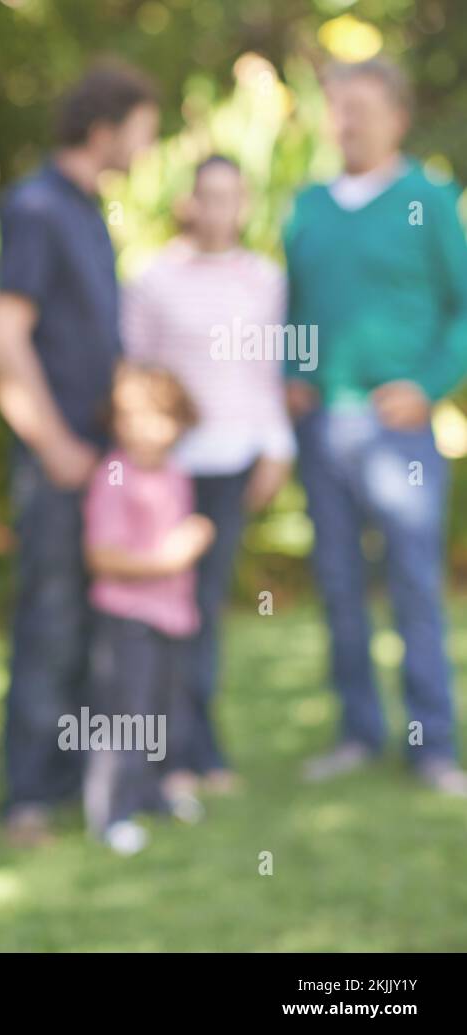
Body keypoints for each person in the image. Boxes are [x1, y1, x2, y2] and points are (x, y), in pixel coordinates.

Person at [0, 61, 160, 845]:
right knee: (49, 620)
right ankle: (25, 798)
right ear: (106, 127)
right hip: (62, 461)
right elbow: (2, 336)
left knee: (91, 624)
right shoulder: (39, 207)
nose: (150, 145)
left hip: (102, 463)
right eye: (145, 128)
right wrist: (53, 444)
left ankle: (77, 782)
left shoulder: (86, 209)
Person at [283, 59, 467, 795]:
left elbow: (462, 311)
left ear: (396, 115)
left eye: (361, 106)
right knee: (337, 582)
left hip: (401, 435)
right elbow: (293, 307)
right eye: (337, 106)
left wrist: (426, 386)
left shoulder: (429, 198)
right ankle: (359, 732)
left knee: (414, 583)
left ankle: (433, 744)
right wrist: (293, 374)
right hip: (323, 428)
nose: (347, 120)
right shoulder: (308, 207)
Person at [121, 155, 295, 796]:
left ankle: (201, 748)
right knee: (161, 608)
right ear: (190, 202)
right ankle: (169, 754)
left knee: (205, 609)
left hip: (235, 463)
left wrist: (277, 448)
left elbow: (267, 373)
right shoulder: (152, 278)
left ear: (244, 204)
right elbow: (135, 374)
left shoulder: (265, 279)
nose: (220, 210)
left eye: (232, 197)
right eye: (209, 197)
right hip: (169, 471)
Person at [82, 361, 210, 855]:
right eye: (127, 415)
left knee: (165, 711)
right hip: (128, 617)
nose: (139, 427)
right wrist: (170, 557)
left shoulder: (176, 473)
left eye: (154, 415)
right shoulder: (114, 474)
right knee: (125, 717)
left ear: (179, 422)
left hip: (173, 617)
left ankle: (154, 793)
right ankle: (112, 813)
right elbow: (102, 555)